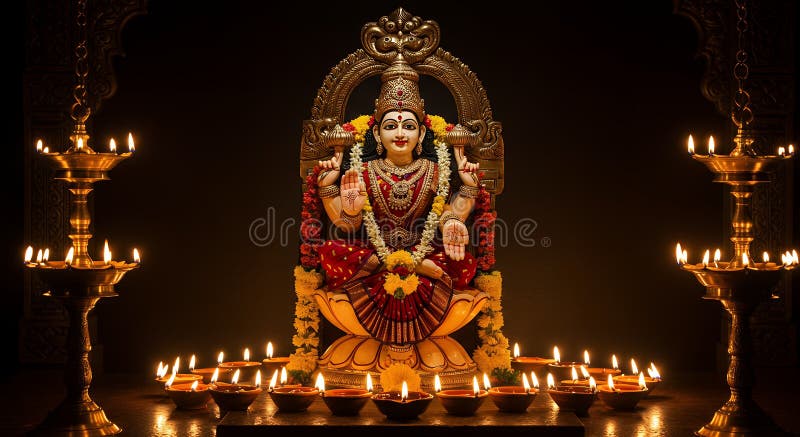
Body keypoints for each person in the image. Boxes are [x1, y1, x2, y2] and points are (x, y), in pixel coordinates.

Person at [314, 58, 482, 345]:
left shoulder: (435, 171)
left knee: (465, 264)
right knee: (331, 252)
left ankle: (410, 266)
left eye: (409, 126)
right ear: (378, 133)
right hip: (374, 255)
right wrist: (331, 193)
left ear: (422, 134)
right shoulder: (363, 172)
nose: (401, 133)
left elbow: (444, 216)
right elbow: (348, 224)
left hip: (423, 250)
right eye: (391, 126)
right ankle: (401, 267)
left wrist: (464, 200)